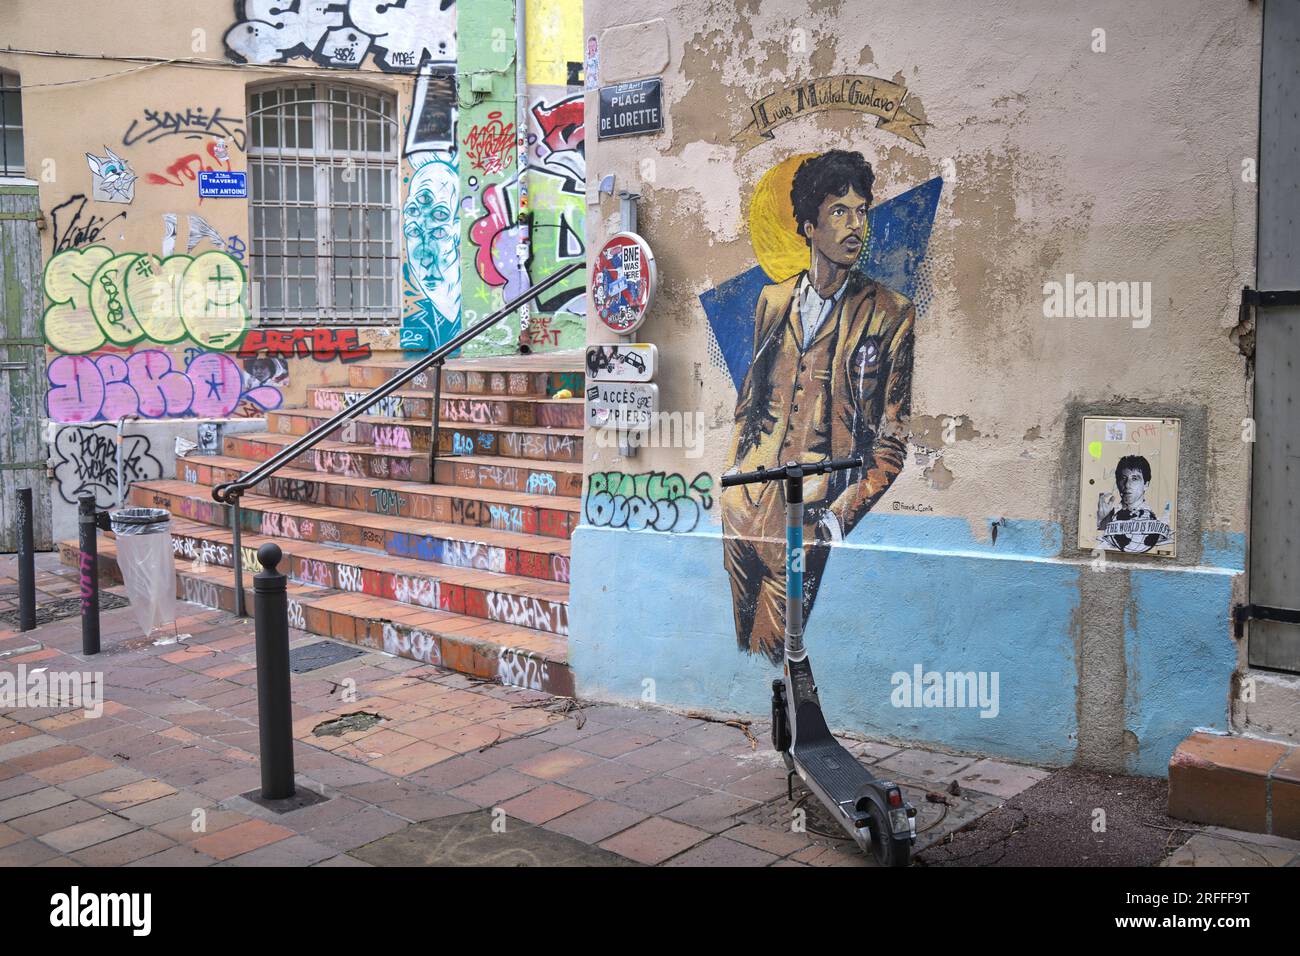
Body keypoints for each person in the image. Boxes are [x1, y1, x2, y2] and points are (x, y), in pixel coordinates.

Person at [722, 150, 914, 663]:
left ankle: (785, 728)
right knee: (744, 638)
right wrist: (734, 477)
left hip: (809, 514)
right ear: (808, 226)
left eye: (863, 211)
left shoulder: (890, 314)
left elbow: (891, 441)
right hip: (744, 507)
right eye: (839, 212)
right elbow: (751, 404)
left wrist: (836, 519)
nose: (856, 226)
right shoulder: (774, 301)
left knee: (776, 648)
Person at [1097, 454, 1170, 552]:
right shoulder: (1107, 515)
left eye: (1135, 479)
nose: (1127, 485)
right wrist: (1102, 521)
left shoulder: (1159, 518)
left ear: (1146, 485)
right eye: (1123, 478)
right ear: (1117, 483)